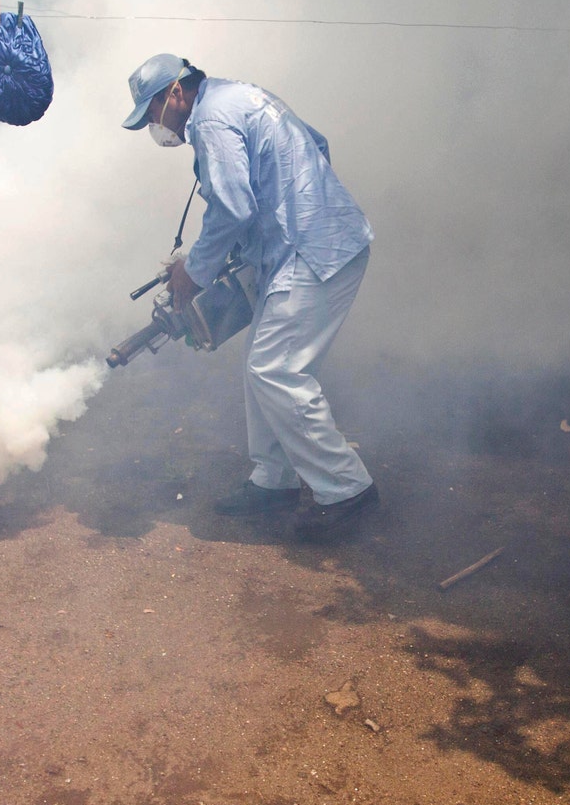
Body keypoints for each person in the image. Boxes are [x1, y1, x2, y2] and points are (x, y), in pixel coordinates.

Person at [121, 53, 379, 540]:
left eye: (153, 113)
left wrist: (192, 274)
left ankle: (348, 490)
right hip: (309, 242)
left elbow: (233, 207)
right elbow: (316, 145)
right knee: (262, 364)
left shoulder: (212, 119)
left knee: (275, 368)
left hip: (314, 250)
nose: (156, 125)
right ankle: (273, 481)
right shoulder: (239, 95)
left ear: (175, 93)